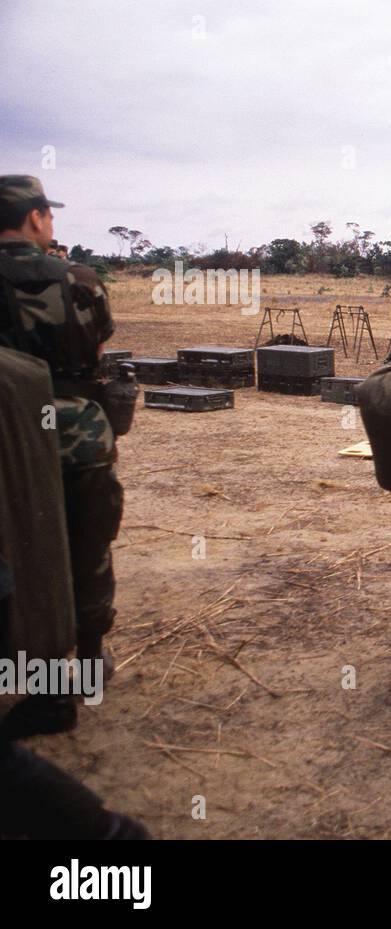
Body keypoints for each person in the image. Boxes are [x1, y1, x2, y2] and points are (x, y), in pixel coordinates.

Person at [0, 176, 121, 734]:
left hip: (9, 443)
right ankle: (90, 657)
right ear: (36, 217)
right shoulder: (81, 280)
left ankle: (35, 678)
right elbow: (97, 351)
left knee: (21, 556)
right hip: (78, 434)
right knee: (86, 542)